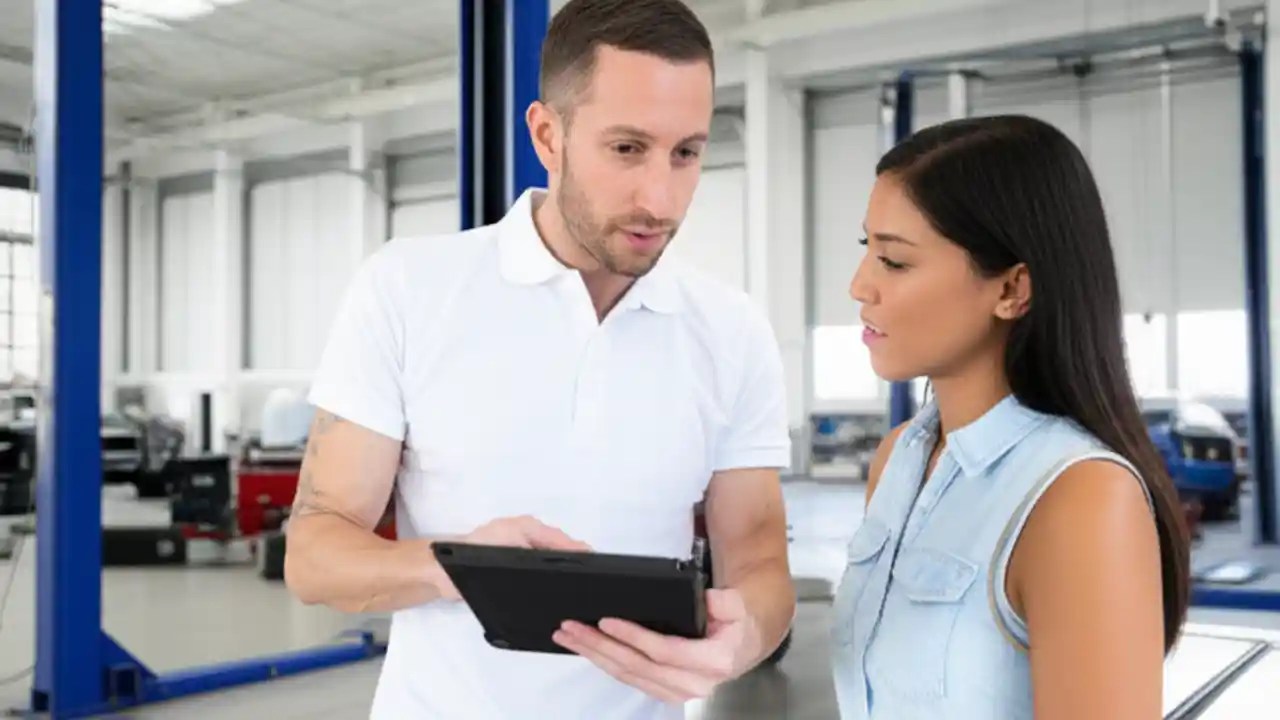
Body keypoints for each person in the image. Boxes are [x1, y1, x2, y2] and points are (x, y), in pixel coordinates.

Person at [282, 1, 796, 718]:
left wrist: (743, 642)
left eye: (686, 152)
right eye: (626, 148)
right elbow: (313, 554)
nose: (660, 197)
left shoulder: (731, 331)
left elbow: (761, 563)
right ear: (548, 135)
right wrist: (464, 566)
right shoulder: (407, 289)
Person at [832, 115, 1191, 719]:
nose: (859, 286)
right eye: (867, 248)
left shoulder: (1081, 498)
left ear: (1011, 289)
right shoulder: (900, 459)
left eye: (894, 262)